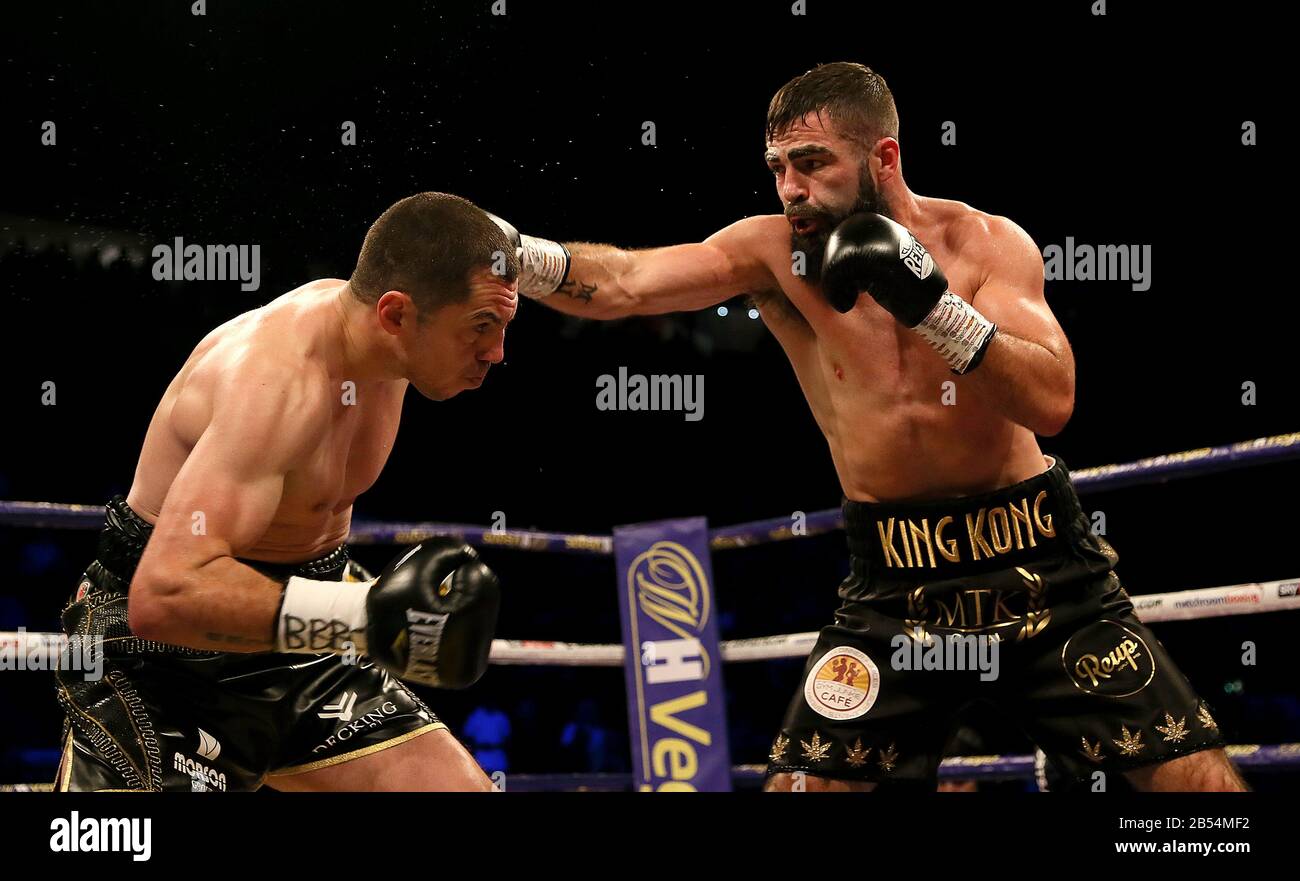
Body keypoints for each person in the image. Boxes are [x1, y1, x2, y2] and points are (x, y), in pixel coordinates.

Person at [488, 63, 1246, 792]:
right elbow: (625, 284)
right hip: (894, 577)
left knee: (1196, 784)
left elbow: (1052, 400)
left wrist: (932, 308)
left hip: (1039, 564)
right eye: (778, 166)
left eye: (812, 163)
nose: (791, 188)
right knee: (804, 785)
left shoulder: (986, 244)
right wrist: (512, 255)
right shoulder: (774, 254)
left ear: (884, 157)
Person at [55, 192, 514, 792]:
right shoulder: (275, 382)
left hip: (310, 631)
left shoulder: (434, 286)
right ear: (396, 314)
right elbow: (163, 597)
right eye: (481, 328)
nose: (496, 353)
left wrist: (561, 267)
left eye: (505, 324)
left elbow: (616, 282)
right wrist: (364, 618)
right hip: (163, 655)